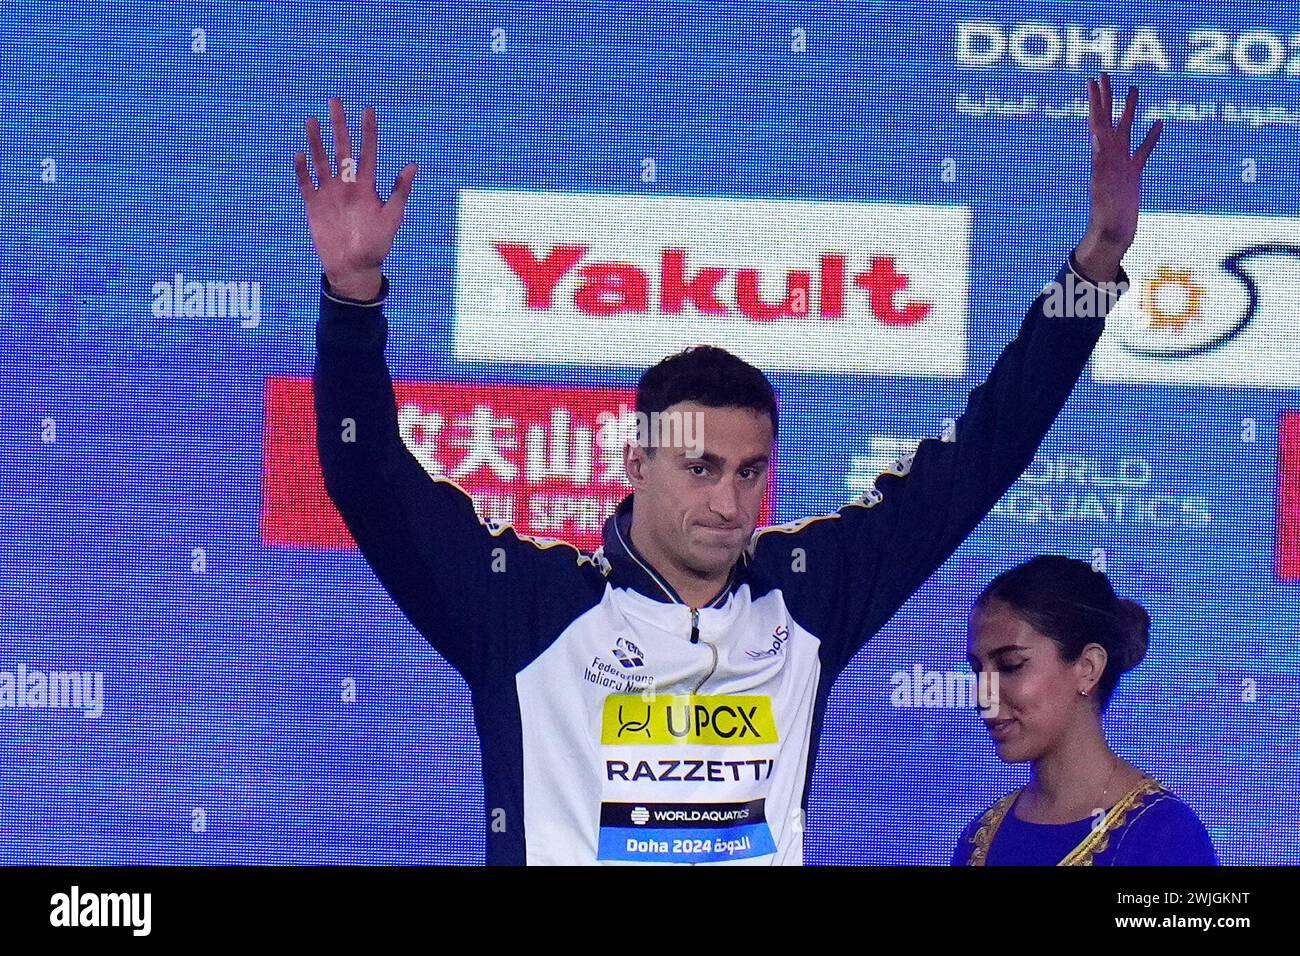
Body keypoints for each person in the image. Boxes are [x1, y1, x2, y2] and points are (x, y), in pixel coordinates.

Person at [297, 73, 1161, 864]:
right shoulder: (522, 604)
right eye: (701, 468)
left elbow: (988, 450)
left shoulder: (809, 593)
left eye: (750, 472)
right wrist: (352, 292)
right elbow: (365, 476)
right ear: (635, 462)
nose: (728, 500)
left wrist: (1095, 268)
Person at [951, 555, 1218, 865]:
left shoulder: (1163, 838)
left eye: (1011, 665)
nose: (983, 693)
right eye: (976, 670)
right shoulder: (981, 838)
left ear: (1088, 667)